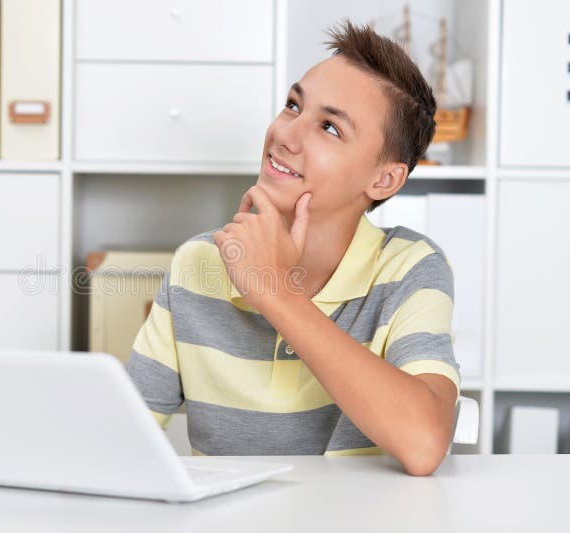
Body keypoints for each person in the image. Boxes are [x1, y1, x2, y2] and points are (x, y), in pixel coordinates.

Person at [125, 20, 460, 476]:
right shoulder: (199, 262)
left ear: (384, 179)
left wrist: (277, 294)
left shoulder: (410, 268)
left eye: (330, 127)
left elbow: (424, 445)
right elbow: (121, 440)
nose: (285, 135)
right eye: (292, 105)